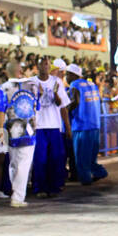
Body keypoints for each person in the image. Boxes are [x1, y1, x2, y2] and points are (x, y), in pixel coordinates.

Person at [0, 60, 39, 207]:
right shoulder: (32, 86)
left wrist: (0, 132)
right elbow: (36, 107)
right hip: (28, 132)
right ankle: (18, 197)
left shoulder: (2, 88)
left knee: (13, 164)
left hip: (9, 131)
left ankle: (16, 192)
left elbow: (0, 111)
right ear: (20, 71)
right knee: (24, 164)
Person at [31, 56, 70, 197]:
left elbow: (61, 105)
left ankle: (54, 186)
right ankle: (39, 187)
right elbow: (28, 105)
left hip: (54, 125)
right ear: (38, 66)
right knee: (40, 158)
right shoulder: (31, 82)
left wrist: (54, 93)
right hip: (38, 126)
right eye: (43, 63)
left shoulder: (57, 82)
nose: (46, 66)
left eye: (48, 64)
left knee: (56, 157)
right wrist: (38, 95)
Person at [66, 65, 108, 185]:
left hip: (81, 126)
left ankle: (85, 180)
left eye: (67, 74)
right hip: (94, 124)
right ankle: (100, 172)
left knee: (81, 157)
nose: (66, 77)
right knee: (90, 157)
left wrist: (64, 110)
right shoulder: (92, 84)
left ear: (73, 74)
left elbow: (75, 101)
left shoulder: (75, 84)